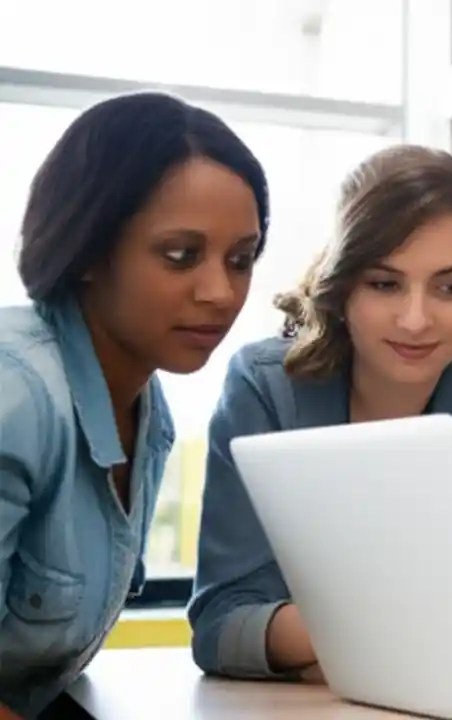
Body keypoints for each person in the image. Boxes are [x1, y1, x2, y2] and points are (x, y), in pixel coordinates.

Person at [188, 145, 452, 682]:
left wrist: (326, 636)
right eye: (384, 284)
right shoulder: (265, 385)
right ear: (341, 286)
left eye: (450, 288)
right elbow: (221, 628)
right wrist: (398, 628)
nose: (414, 320)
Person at [0, 92, 268, 719]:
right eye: (181, 255)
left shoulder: (148, 411)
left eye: (241, 259)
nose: (220, 293)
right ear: (90, 248)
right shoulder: (17, 394)